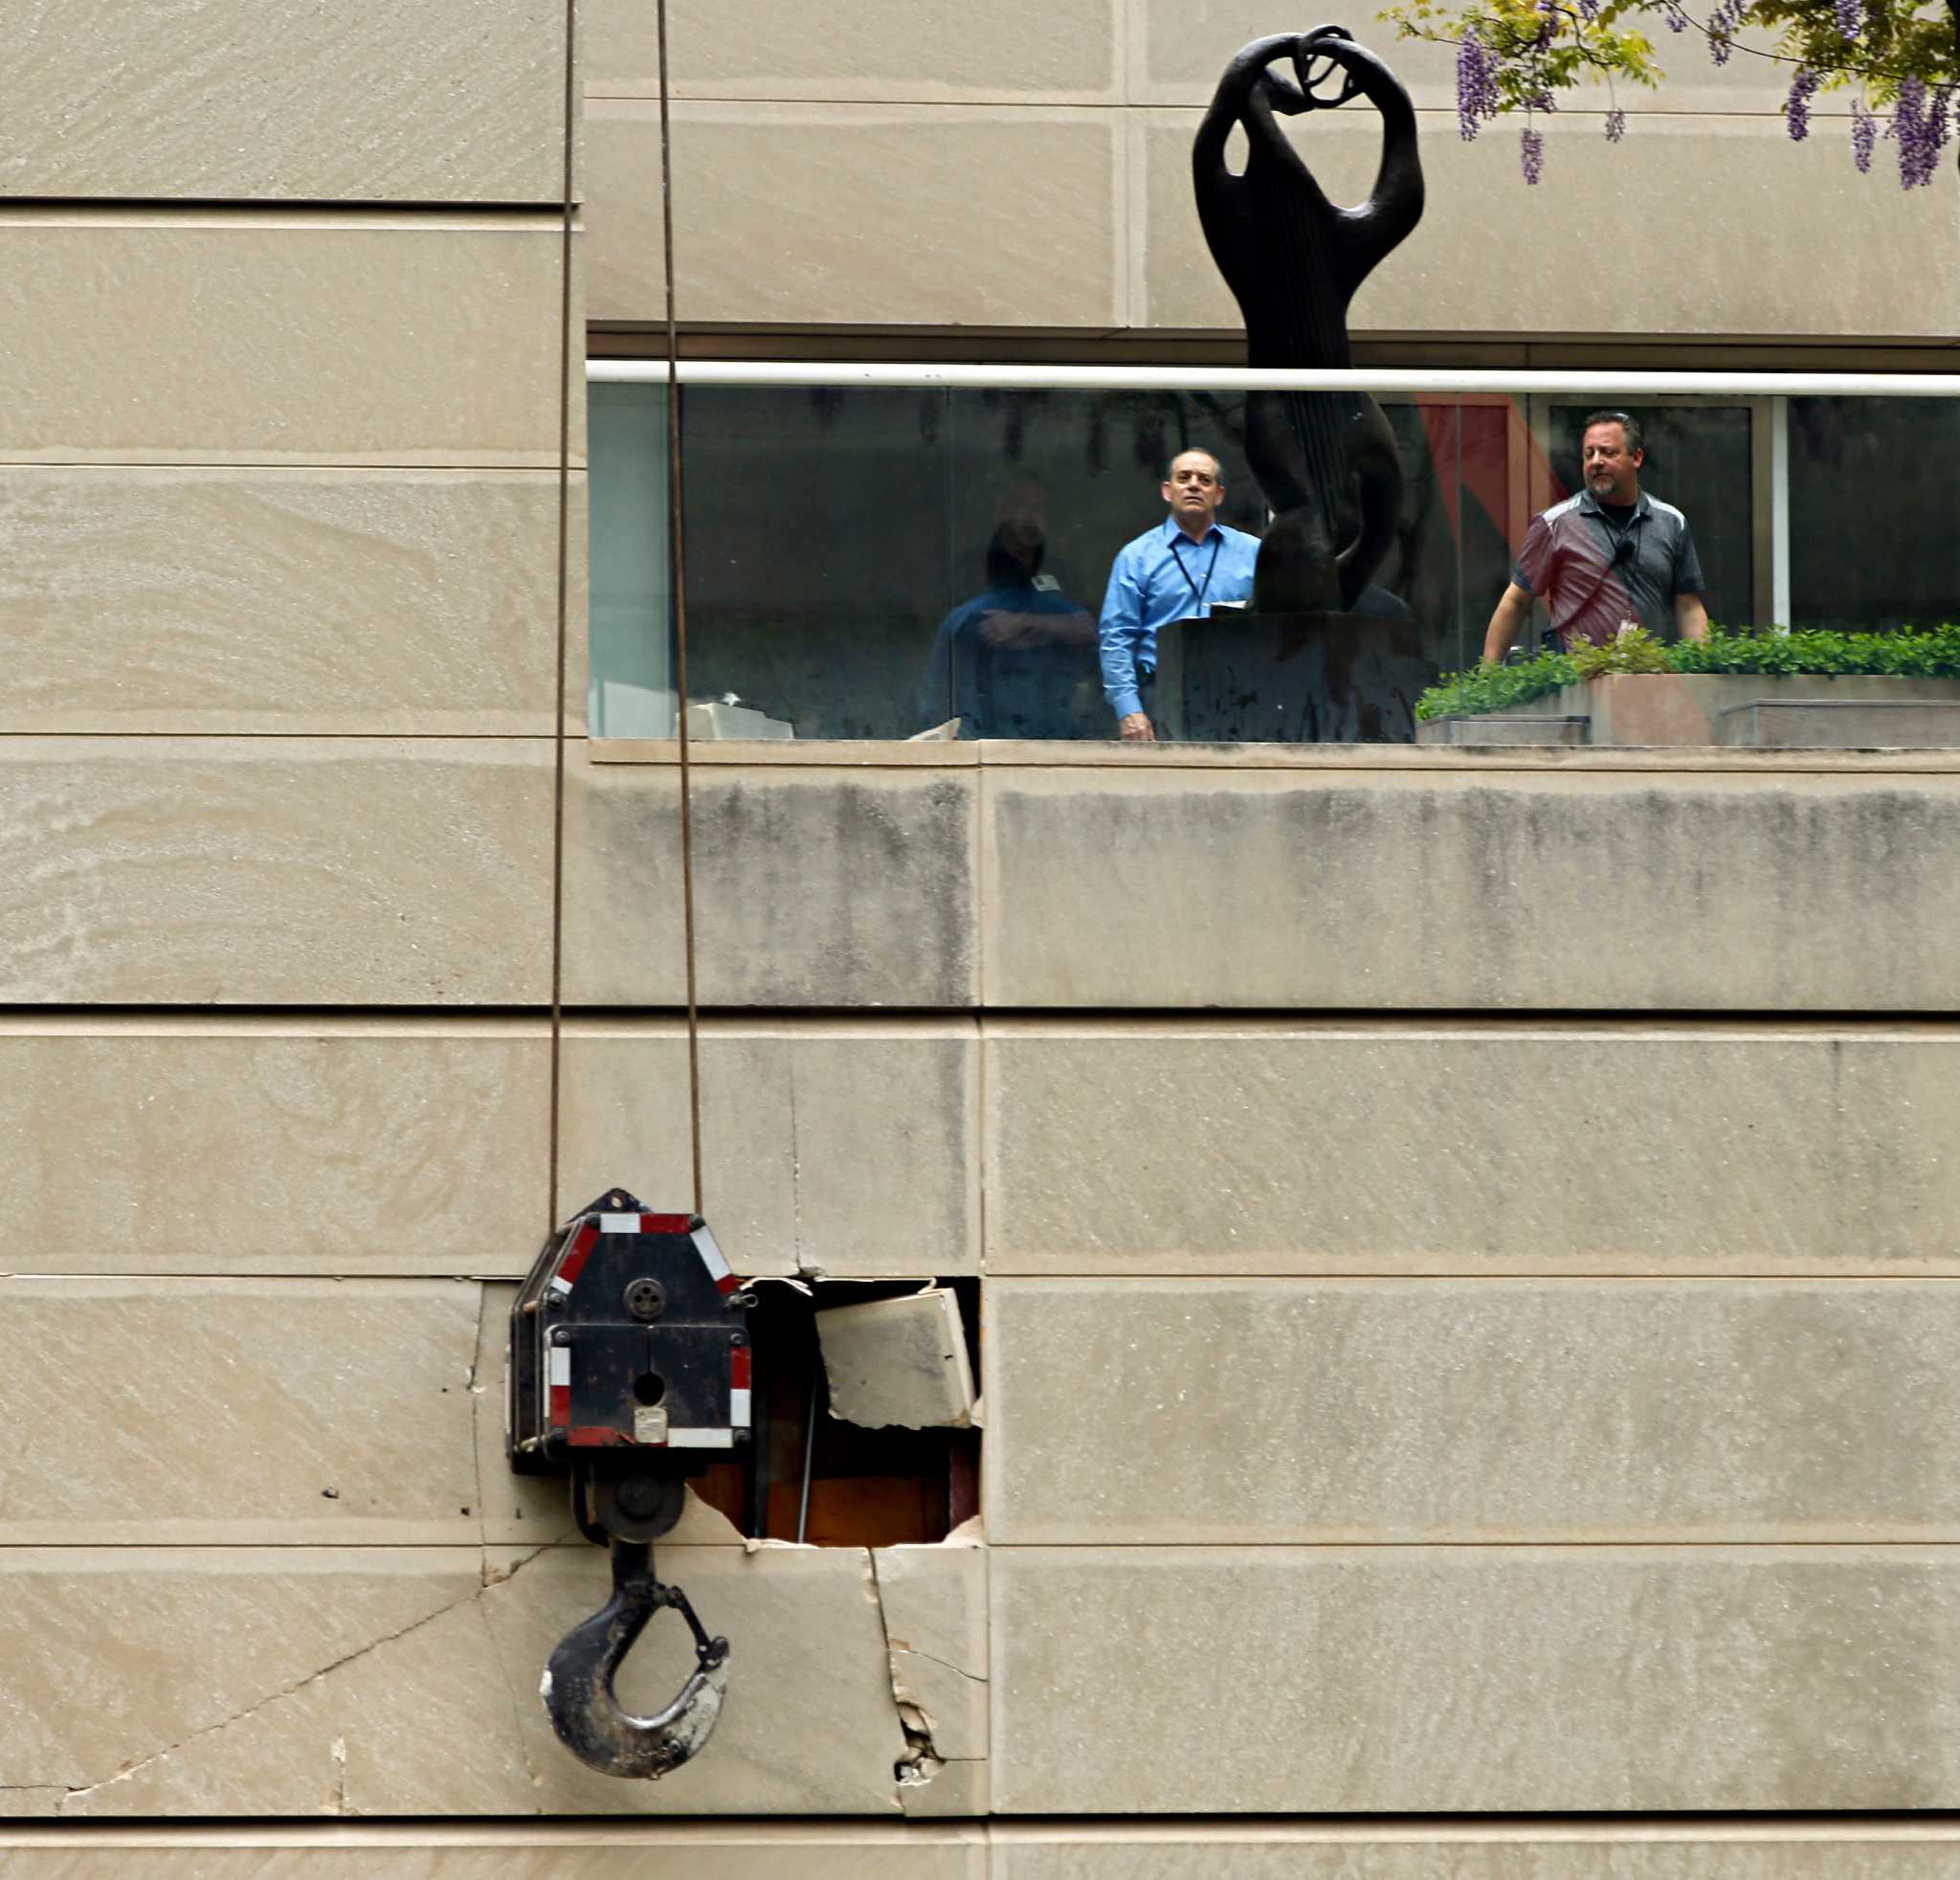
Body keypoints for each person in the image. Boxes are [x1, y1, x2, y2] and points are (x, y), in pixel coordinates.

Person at [1481, 411, 1709, 664]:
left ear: (1637, 457)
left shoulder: (1671, 522)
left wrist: (1702, 670)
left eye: (1608, 452)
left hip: (1648, 684)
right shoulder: (1554, 524)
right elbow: (1516, 601)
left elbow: (1688, 605)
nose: (1596, 461)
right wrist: (1488, 676)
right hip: (1574, 687)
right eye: (1589, 454)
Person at [1098, 449, 1261, 741]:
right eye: (1184, 478)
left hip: (1238, 698)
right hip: (1160, 697)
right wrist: (1128, 709)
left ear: (1219, 495)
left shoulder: (1254, 553)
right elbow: (1117, 637)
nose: (1194, 485)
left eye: (1205, 479)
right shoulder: (1136, 557)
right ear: (1167, 490)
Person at [919, 484, 1096, 740]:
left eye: (1039, 509)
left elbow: (1091, 631)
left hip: (1051, 730)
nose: (1031, 517)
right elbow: (949, 650)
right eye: (1023, 506)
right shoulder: (971, 568)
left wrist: (1026, 624)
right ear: (1002, 511)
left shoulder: (1062, 571)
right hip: (980, 730)